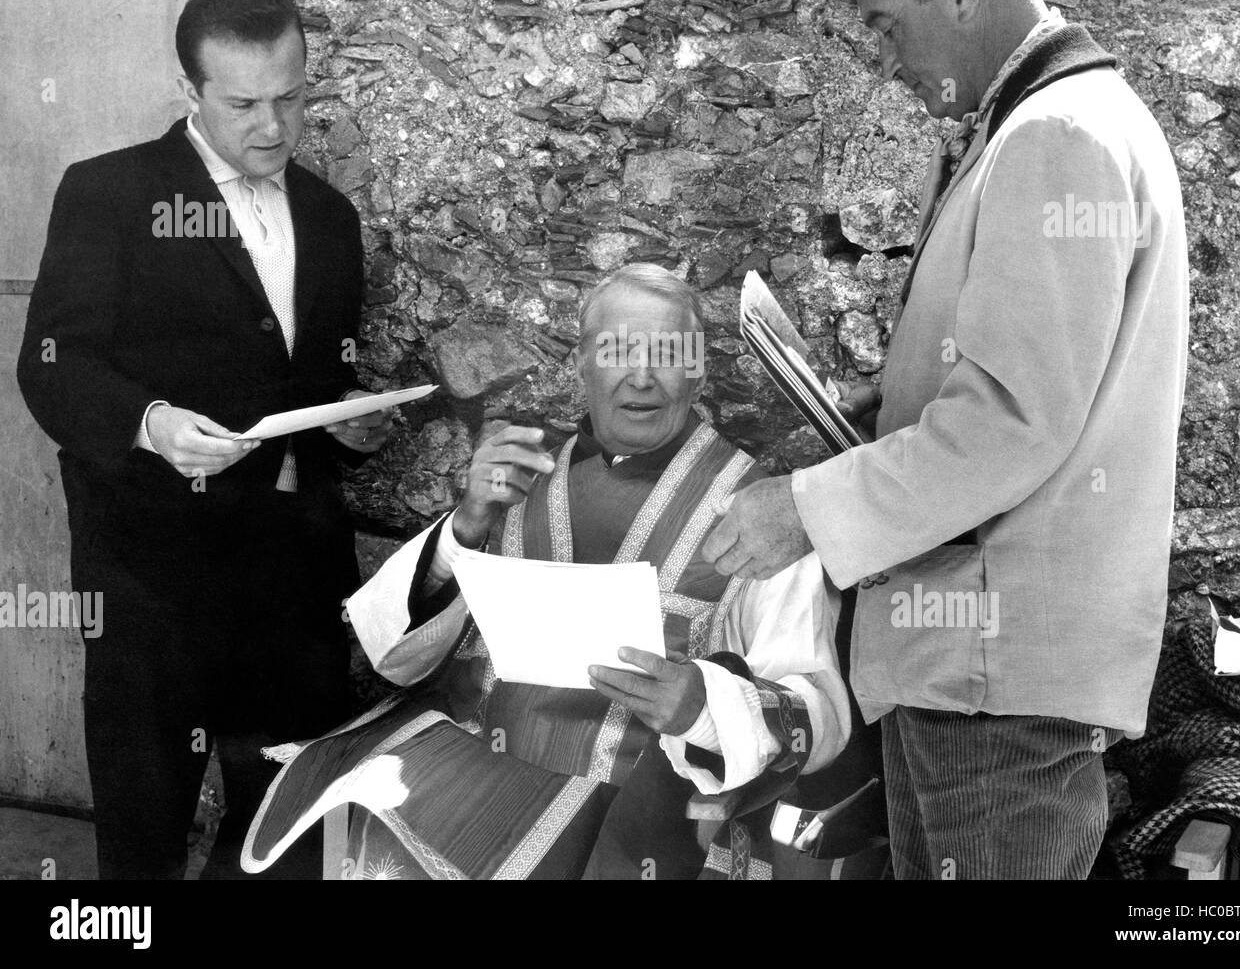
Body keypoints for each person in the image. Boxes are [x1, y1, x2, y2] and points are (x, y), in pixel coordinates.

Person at [703, 0, 1189, 878]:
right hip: (979, 676)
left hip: (989, 689)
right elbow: (1041, 389)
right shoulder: (1055, 125)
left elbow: (1012, 420)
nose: (886, 59)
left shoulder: (1054, 138)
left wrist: (808, 507)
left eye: (888, 25)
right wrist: (884, 409)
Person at [241, 264, 851, 880]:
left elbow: (820, 719)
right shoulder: (519, 476)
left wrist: (706, 707)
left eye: (669, 353)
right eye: (618, 351)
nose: (642, 376)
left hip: (634, 822)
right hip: (477, 781)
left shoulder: (758, 513)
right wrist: (466, 526)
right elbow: (394, 658)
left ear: (698, 371)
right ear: (581, 365)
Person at [17, 0, 395, 879]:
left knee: (286, 823)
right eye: (243, 104)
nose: (274, 126)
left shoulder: (331, 218)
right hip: (154, 576)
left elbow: (313, 378)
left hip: (292, 574)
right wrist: (150, 424)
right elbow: (51, 362)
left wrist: (355, 424)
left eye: (292, 97)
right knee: (144, 830)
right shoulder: (109, 192)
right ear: (188, 92)